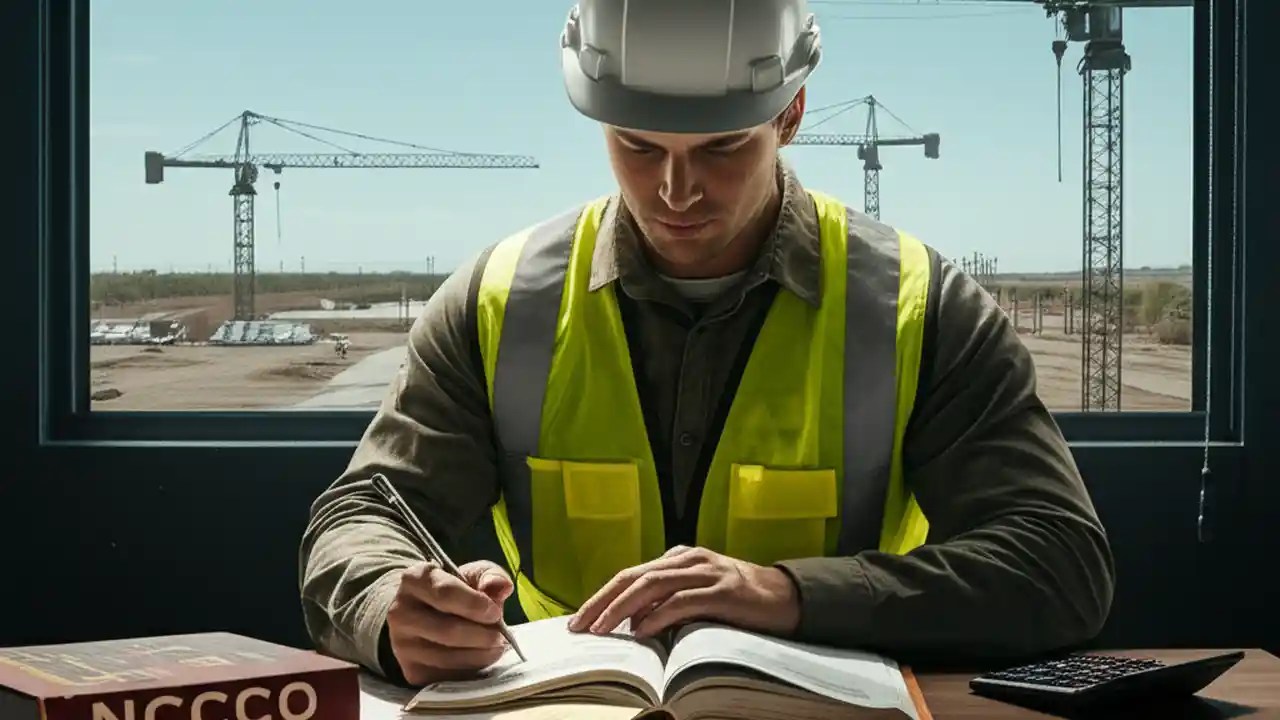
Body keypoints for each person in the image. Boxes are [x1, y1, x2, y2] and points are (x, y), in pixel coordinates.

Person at [298, 0, 1115, 687]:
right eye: (639, 146)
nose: (675, 190)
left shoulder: (921, 308)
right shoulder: (496, 304)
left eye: (722, 147)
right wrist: (388, 606)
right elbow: (362, 513)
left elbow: (1059, 564)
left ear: (790, 115)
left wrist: (790, 594)